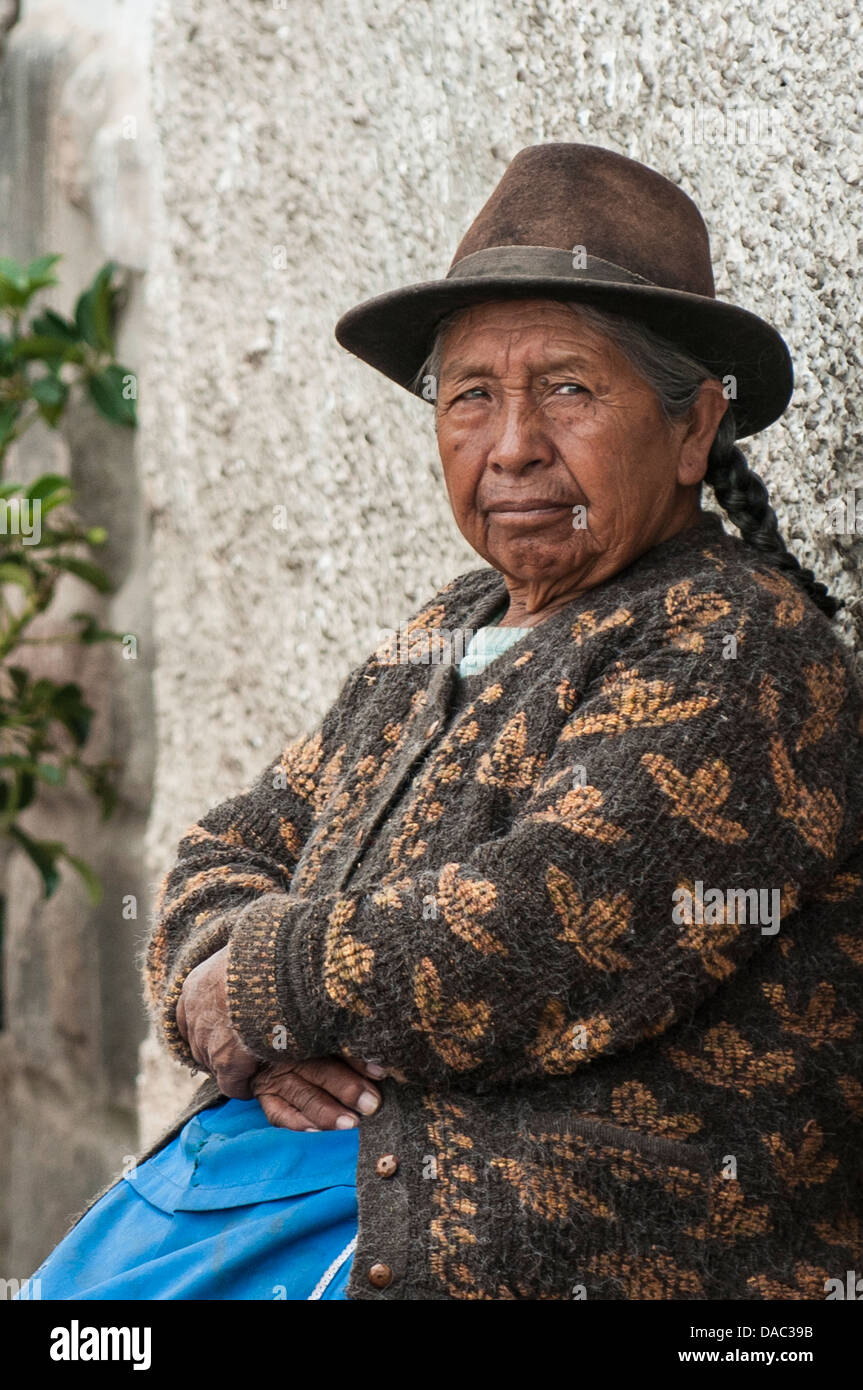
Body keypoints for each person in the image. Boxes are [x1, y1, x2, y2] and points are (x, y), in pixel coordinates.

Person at [28, 143, 863, 1302]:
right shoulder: (450, 625)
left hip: (549, 1250)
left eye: (565, 386)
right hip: (297, 1191)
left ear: (691, 427)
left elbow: (533, 928)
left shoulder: (738, 647)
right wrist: (220, 981)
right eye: (471, 393)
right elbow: (235, 840)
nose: (510, 442)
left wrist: (254, 989)